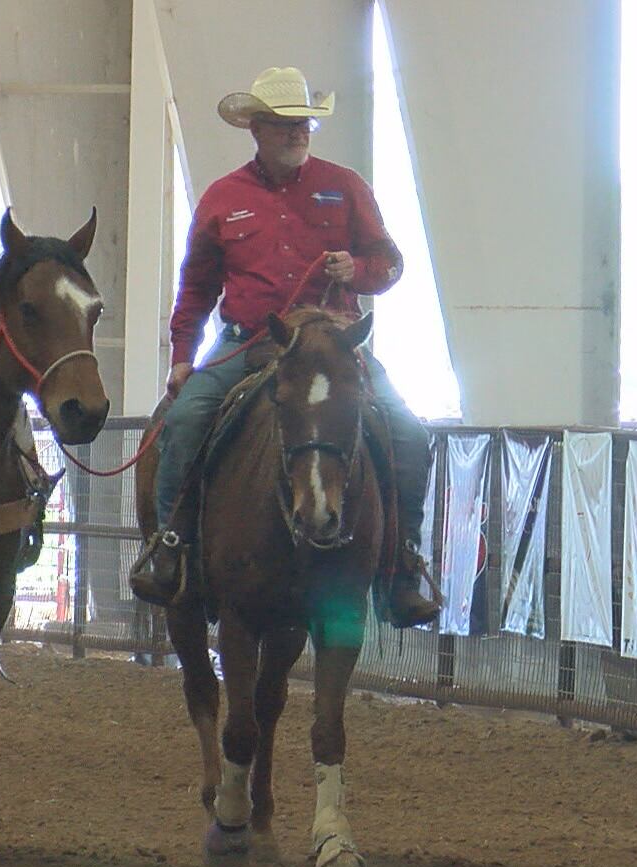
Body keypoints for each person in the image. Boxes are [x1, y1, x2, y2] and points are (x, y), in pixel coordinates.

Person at [130, 66, 439, 629]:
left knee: (409, 435)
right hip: (249, 344)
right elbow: (196, 285)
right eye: (285, 124)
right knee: (187, 417)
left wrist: (360, 268)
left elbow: (390, 263)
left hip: (335, 348)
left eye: (304, 124)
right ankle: (172, 545)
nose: (298, 133)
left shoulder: (345, 187)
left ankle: (403, 562)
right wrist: (182, 354)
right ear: (257, 128)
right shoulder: (224, 198)